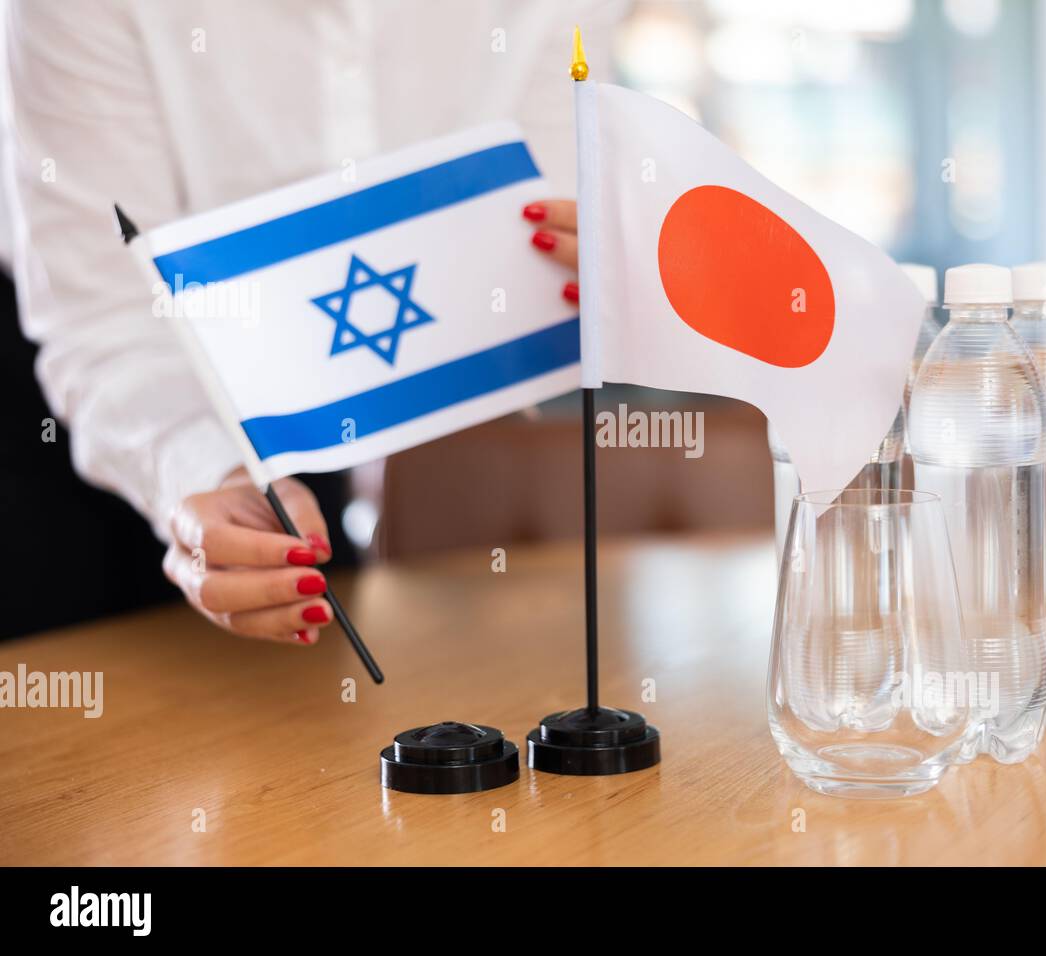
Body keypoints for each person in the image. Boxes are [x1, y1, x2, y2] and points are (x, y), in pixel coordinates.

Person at [3, 0, 617, 643]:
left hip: (330, 409)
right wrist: (204, 473)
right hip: (100, 405)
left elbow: (547, 220)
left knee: (316, 692)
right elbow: (106, 309)